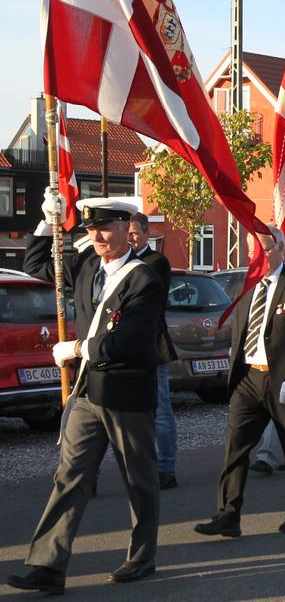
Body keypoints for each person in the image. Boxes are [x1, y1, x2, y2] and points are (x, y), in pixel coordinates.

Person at [9, 195, 170, 593]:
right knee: (70, 476)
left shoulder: (144, 277)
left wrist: (77, 349)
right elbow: (35, 266)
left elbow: (130, 341)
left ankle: (141, 556)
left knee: (139, 479)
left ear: (126, 230)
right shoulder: (85, 266)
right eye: (90, 228)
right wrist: (47, 223)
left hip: (127, 392)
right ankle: (48, 566)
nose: (96, 235)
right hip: (88, 390)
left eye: (105, 227)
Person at [194, 226, 285, 538]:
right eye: (254, 249)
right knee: (236, 448)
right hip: (250, 377)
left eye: (264, 249)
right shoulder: (249, 282)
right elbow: (244, 324)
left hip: (283, 379)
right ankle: (228, 513)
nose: (259, 255)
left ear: (282, 247)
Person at [128, 213, 179, 490]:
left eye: (134, 233)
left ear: (147, 234)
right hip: (127, 348)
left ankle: (165, 468)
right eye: (127, 233)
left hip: (153, 346)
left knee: (161, 409)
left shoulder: (156, 262)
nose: (130, 239)